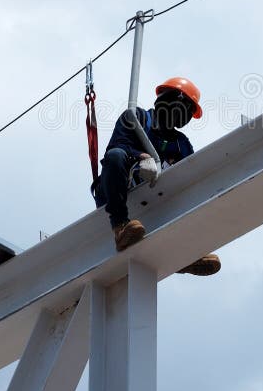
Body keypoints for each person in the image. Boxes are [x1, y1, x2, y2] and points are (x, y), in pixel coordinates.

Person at [94, 77, 221, 276]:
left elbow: (191, 177)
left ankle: (184, 253)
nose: (184, 117)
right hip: (118, 190)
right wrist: (140, 157)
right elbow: (116, 148)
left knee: (190, 190)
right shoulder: (137, 119)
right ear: (172, 101)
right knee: (116, 156)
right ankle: (120, 228)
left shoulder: (181, 144)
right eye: (185, 110)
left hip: (153, 199)